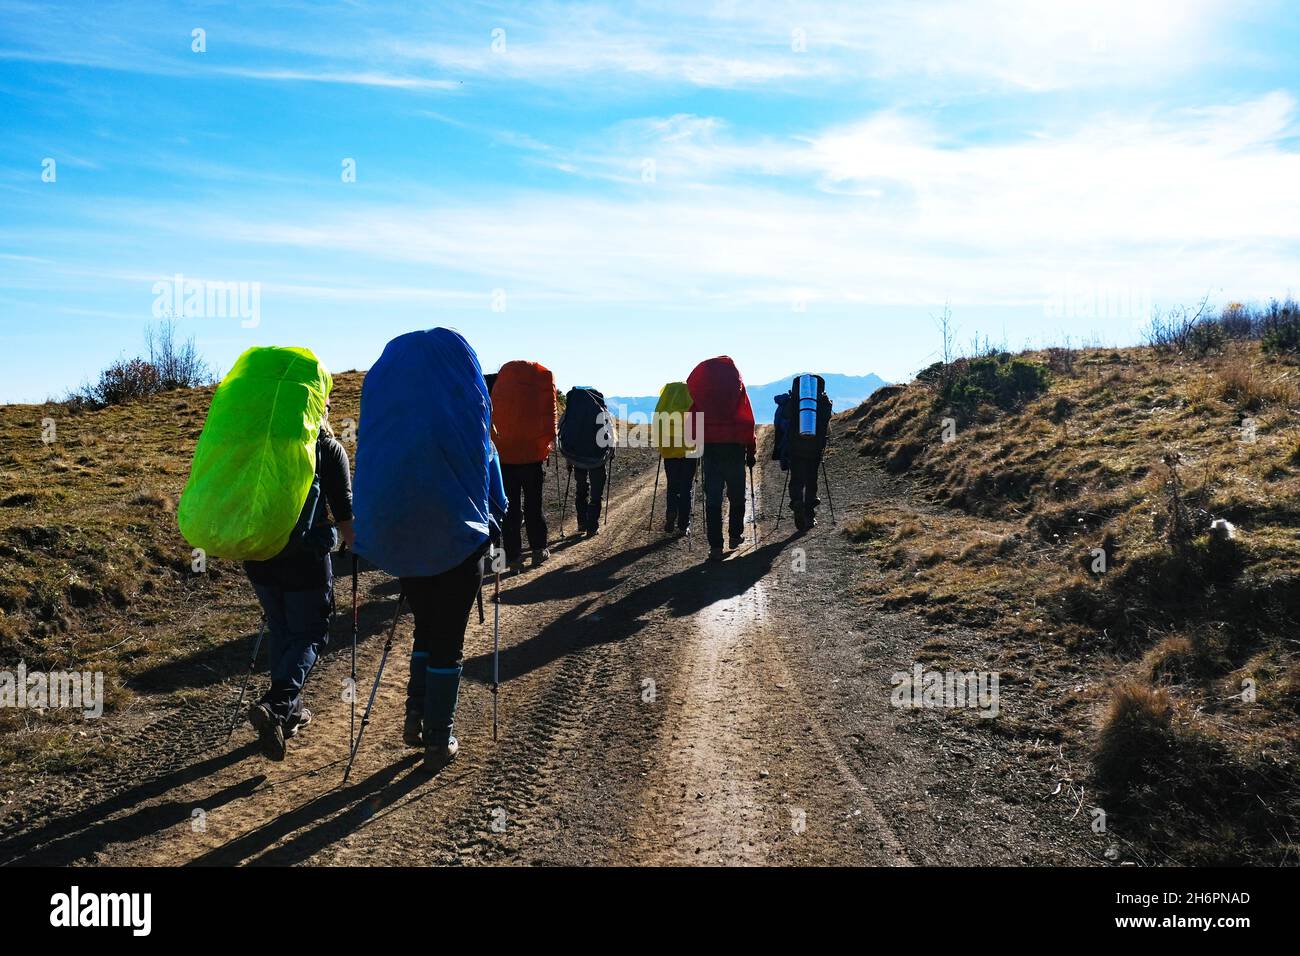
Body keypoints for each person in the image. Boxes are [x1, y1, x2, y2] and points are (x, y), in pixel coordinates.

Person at [353, 328, 508, 772]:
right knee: (448, 641)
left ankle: (415, 716)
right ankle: (438, 739)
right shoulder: (472, 426)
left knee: (425, 625)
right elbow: (496, 496)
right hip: (461, 542)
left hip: (402, 535)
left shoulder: (395, 430)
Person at [245, 405, 354, 761]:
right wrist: (352, 544)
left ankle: (288, 713)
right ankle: (277, 706)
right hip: (304, 559)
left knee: (283, 631)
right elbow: (345, 513)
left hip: (259, 553)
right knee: (310, 633)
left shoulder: (258, 443)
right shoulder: (326, 448)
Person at [686, 357, 756, 562]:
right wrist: (750, 451)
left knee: (713, 499)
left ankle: (715, 546)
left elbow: (692, 425)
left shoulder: (703, 394)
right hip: (734, 451)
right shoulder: (737, 390)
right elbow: (747, 421)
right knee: (737, 496)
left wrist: (696, 445)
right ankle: (735, 535)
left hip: (710, 452)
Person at [491, 361, 557, 569]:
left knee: (510, 508)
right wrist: (547, 445)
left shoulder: (500, 385)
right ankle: (539, 549)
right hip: (532, 457)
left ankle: (512, 555)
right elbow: (550, 418)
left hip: (506, 457)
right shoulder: (538, 384)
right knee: (533, 505)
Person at [558, 385, 615, 537]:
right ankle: (592, 526)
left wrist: (568, 457)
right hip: (597, 458)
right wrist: (611, 453)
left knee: (581, 488)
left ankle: (582, 522)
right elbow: (611, 435)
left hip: (576, 457)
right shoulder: (602, 410)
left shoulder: (572, 410)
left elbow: (562, 432)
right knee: (596, 493)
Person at [784, 373, 833, 531]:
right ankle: (809, 516)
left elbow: (785, 417)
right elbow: (826, 420)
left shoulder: (794, 400)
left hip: (796, 447)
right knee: (812, 479)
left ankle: (797, 502)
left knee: (797, 478)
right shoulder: (822, 400)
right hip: (815, 448)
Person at [653, 381, 698, 536]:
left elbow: (656, 430)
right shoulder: (693, 405)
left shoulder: (663, 407)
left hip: (670, 453)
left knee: (673, 485)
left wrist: (661, 448)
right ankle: (683, 524)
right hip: (690, 452)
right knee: (686, 487)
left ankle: (671, 511)